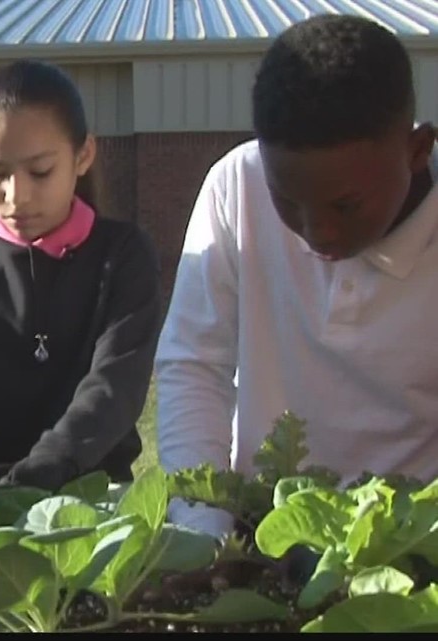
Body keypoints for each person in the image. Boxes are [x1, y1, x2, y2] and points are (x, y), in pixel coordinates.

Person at [155, 13, 438, 541]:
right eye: (287, 201)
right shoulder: (235, 185)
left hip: (412, 545)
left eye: (346, 206)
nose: (316, 232)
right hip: (257, 534)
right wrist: (201, 531)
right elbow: (193, 366)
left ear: (416, 150)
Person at [0, 60, 162, 503]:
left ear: (83, 155)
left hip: (90, 497)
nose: (16, 196)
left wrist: (32, 483)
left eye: (40, 172)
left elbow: (115, 389)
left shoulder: (123, 256)